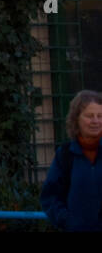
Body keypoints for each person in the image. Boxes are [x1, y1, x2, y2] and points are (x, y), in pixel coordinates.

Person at [41, 89, 102, 232]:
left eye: (100, 116)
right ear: (76, 119)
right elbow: (50, 196)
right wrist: (67, 221)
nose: (96, 121)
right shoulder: (65, 155)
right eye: (89, 116)